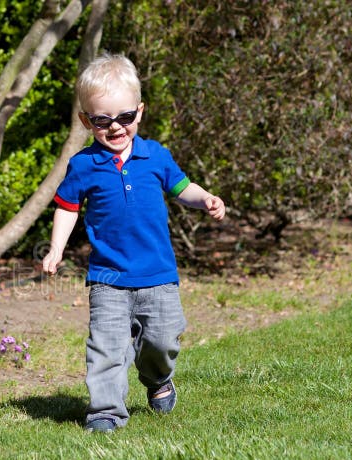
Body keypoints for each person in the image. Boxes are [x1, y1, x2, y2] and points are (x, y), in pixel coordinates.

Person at [42, 52, 225, 432]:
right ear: (85, 121)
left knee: (161, 341)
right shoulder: (83, 165)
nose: (116, 128)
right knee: (107, 348)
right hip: (108, 278)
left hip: (158, 274)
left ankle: (157, 378)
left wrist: (205, 198)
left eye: (124, 117)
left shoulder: (155, 155)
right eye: (102, 120)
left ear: (139, 112)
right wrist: (57, 248)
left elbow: (181, 188)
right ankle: (105, 412)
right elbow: (67, 208)